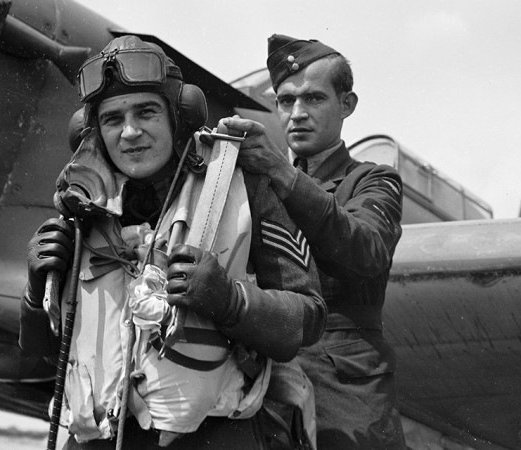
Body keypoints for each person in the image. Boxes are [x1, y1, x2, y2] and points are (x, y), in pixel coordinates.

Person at [19, 35, 325, 450]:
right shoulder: (80, 206)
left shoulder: (240, 187)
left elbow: (308, 319)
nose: (130, 132)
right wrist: (36, 292)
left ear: (179, 116)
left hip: (210, 438)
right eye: (112, 119)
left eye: (146, 112)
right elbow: (41, 353)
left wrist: (231, 301)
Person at [220, 34, 406, 449]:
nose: (297, 114)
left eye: (314, 98)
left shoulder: (374, 180)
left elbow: (365, 252)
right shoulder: (257, 182)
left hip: (345, 401)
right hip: (263, 390)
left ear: (347, 104)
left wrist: (282, 174)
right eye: (286, 101)